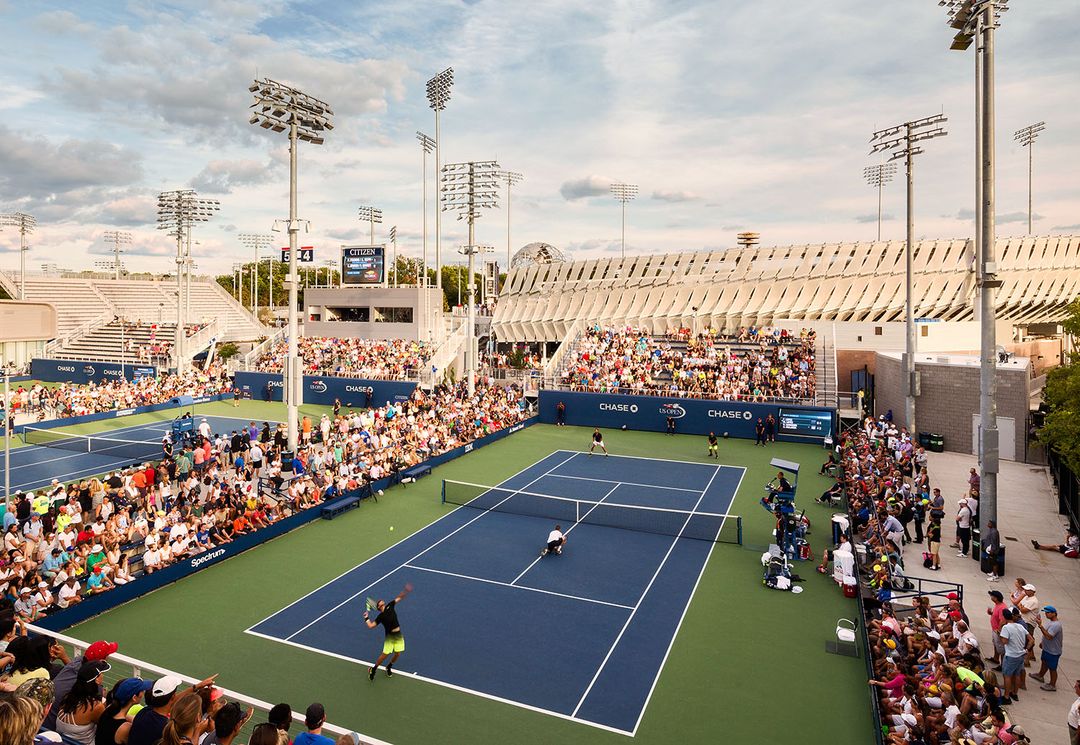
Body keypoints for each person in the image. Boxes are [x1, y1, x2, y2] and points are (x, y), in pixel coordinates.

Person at [364, 584, 413, 681]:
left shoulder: (390, 605)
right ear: (379, 606)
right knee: (385, 654)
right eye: (379, 602)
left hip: (398, 634)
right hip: (390, 636)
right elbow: (371, 626)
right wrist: (366, 618)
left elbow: (399, 597)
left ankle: (389, 666)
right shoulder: (380, 617)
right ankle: (373, 669)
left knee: (398, 653)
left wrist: (406, 591)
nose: (381, 601)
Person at [999, 608, 1033, 703]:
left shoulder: (1006, 628)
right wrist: (1026, 650)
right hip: (1020, 655)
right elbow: (1031, 639)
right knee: (1017, 675)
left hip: (1011, 656)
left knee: (1007, 676)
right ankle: (1015, 693)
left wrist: (1000, 631)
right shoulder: (1020, 626)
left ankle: (1006, 697)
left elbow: (1004, 641)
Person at [1030, 606, 1063, 692]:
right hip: (1047, 648)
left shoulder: (1056, 625)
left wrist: (1040, 626)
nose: (1046, 614)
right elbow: (1046, 634)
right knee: (1044, 662)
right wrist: (1042, 643)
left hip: (1053, 651)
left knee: (1052, 668)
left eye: (1048, 612)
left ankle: (1052, 685)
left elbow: (1049, 636)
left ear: (1054, 613)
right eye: (1045, 612)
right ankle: (1040, 675)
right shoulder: (1050, 622)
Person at [1068, 677, 1080, 745]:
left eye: (1076, 686)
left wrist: (1077, 738)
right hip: (1073, 729)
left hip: (1076, 732)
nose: (1074, 687)